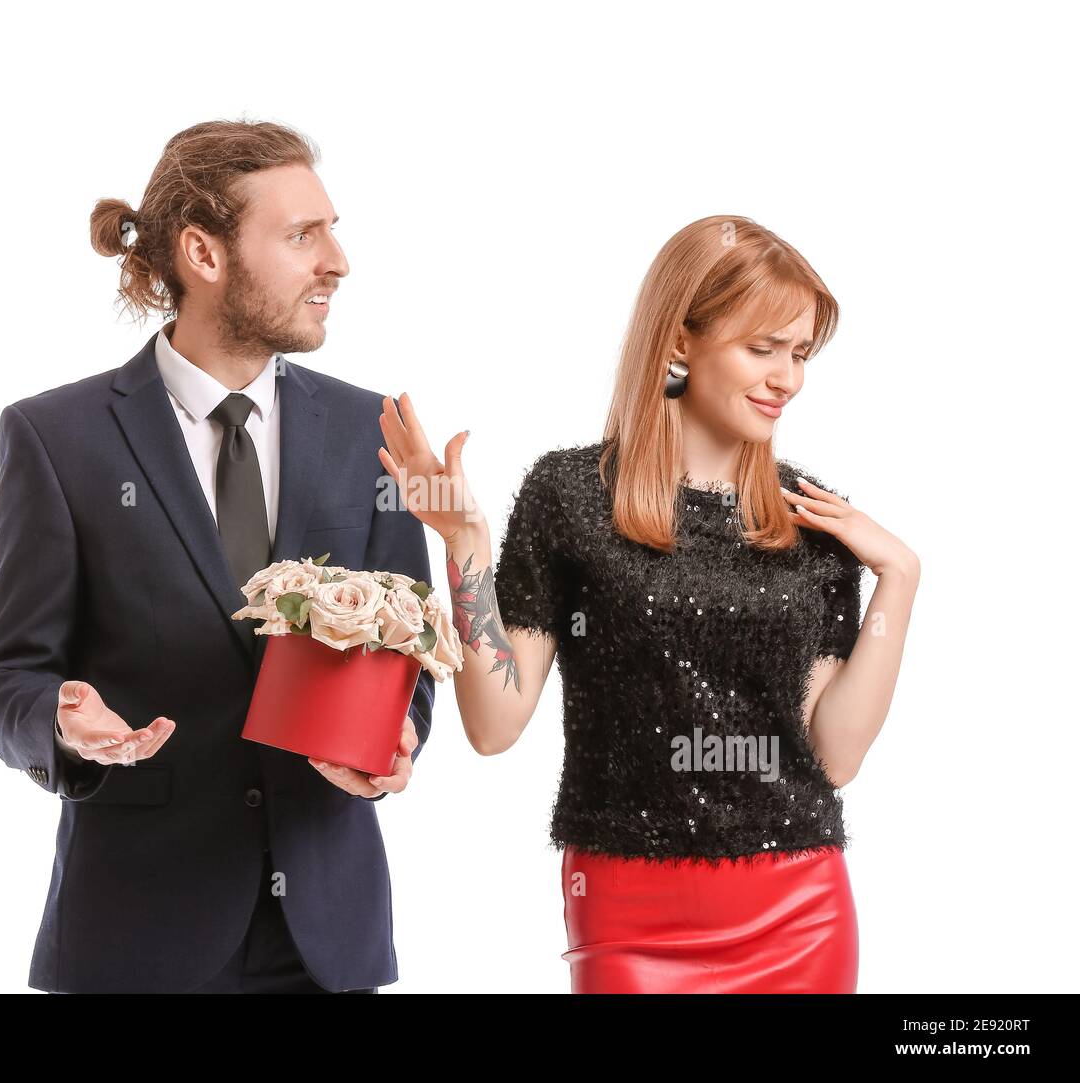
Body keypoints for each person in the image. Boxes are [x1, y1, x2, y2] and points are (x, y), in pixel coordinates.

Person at [378, 215, 920, 993]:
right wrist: (465, 543)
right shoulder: (568, 497)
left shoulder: (816, 521)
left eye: (798, 353)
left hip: (800, 912)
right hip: (627, 910)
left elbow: (836, 754)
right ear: (678, 343)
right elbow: (494, 725)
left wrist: (899, 576)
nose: (786, 378)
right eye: (761, 348)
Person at [0, 120, 434, 994]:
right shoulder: (57, 437)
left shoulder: (370, 429)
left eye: (332, 230)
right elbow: (5, 678)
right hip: (135, 941)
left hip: (327, 941)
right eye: (303, 235)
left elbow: (412, 657)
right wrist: (61, 716)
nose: (338, 260)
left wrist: (400, 734)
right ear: (203, 253)